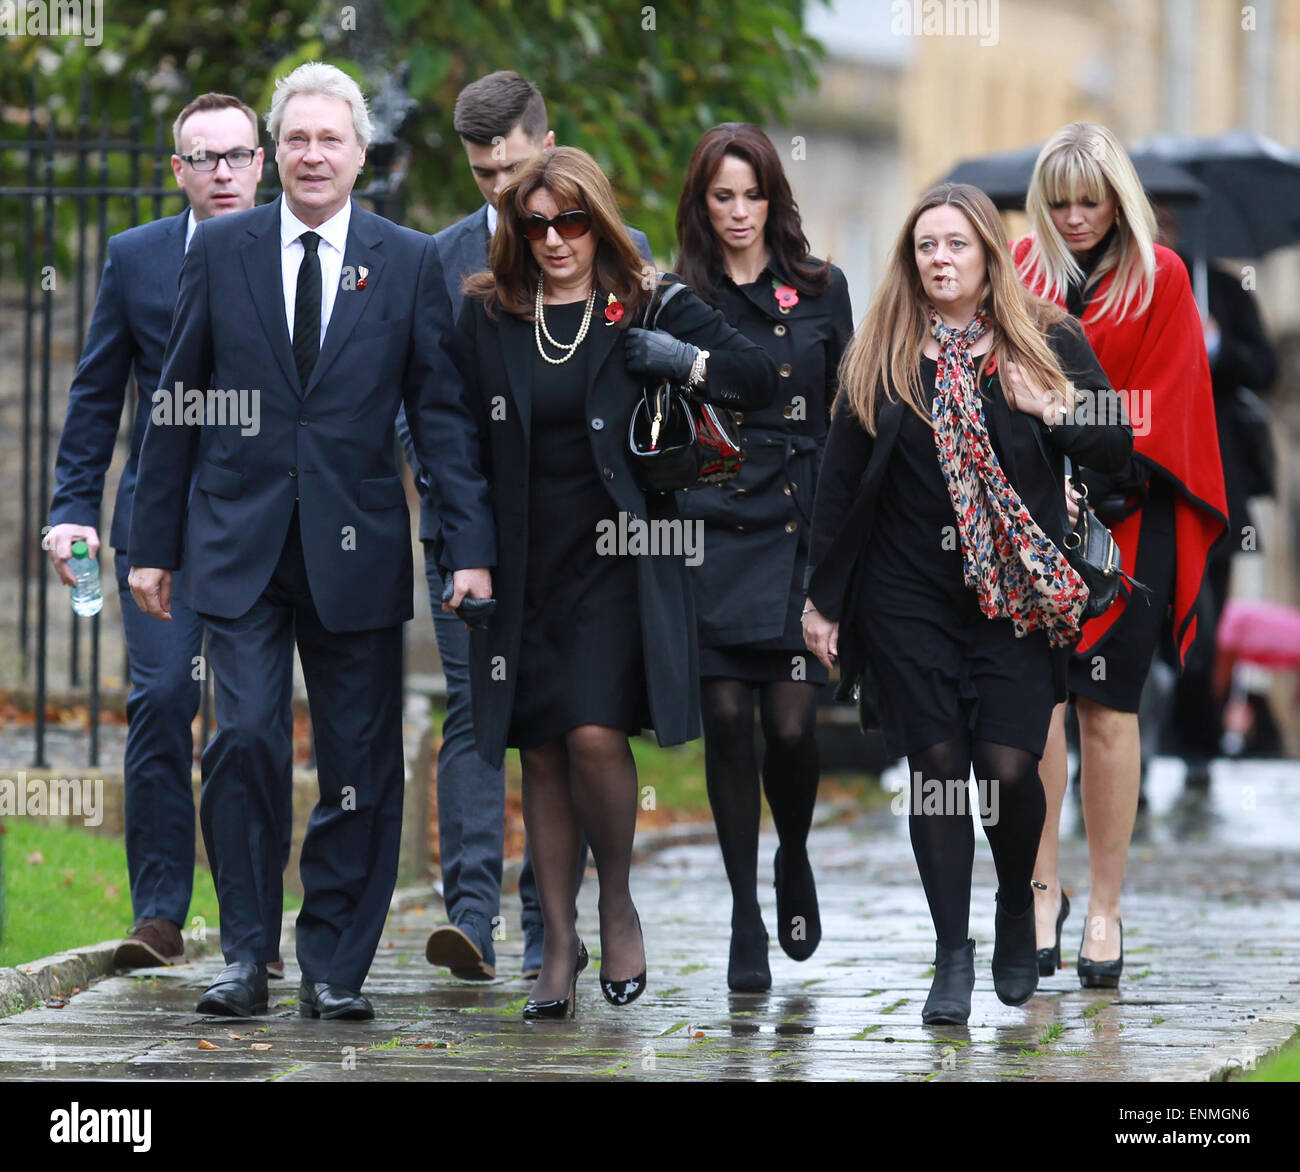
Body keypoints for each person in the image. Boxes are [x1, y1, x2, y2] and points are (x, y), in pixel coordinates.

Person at [128, 63, 494, 1020]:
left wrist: (468, 546)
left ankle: (335, 962)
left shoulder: (407, 260)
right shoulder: (223, 249)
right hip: (237, 544)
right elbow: (177, 404)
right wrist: (151, 546)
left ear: (359, 154)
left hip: (356, 546)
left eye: (331, 139)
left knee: (359, 761)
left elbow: (442, 418)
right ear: (274, 152)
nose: (313, 154)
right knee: (243, 740)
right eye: (296, 138)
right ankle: (246, 953)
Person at [456, 145, 777, 1019]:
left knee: (595, 733)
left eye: (571, 221)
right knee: (544, 749)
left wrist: (677, 359)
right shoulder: (490, 312)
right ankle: (556, 942)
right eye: (536, 224)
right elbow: (454, 439)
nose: (555, 240)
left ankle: (617, 900)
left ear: (598, 221)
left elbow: (760, 379)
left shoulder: (647, 301)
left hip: (619, 557)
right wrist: (465, 549)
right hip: (526, 565)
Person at [803, 182, 1132, 1024]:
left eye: (955, 245)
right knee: (937, 771)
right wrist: (822, 604)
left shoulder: (1047, 337)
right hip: (906, 595)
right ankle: (952, 951)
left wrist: (1052, 407)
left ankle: (1019, 906)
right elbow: (839, 486)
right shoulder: (882, 351)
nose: (939, 260)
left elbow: (1117, 453)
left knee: (1011, 769)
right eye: (925, 247)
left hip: (1016, 597)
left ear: (988, 254)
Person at [395, 70, 652, 982]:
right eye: (482, 178)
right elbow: (430, 404)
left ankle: (559, 929)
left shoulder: (621, 253)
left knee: (576, 726)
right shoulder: (444, 264)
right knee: (484, 716)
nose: (504, 197)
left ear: (546, 144)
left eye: (511, 169)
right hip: (476, 540)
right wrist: (455, 525)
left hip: (591, 546)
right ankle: (472, 914)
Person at [45, 93, 292, 976]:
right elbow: (96, 391)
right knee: (159, 703)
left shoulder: (298, 257)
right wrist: (70, 505)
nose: (222, 173)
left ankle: (250, 920)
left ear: (260, 164)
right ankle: (158, 912)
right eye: (204, 158)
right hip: (161, 526)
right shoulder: (136, 257)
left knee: (251, 725)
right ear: (178, 170)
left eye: (237, 156)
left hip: (264, 527)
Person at [1014, 122, 1227, 988]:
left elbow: (1173, 405)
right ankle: (1039, 891)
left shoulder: (1163, 277)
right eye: (1058, 200)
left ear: (1118, 199)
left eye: (1088, 200)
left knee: (1107, 710)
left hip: (1134, 521)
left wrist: (1099, 470)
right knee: (1038, 712)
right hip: (1033, 524)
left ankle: (1104, 904)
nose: (1072, 217)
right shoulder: (1021, 270)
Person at [672, 123, 852, 991]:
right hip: (709, 525)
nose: (740, 212)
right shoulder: (679, 297)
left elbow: (848, 419)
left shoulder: (821, 290)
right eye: (722, 197)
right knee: (729, 722)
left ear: (775, 198)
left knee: (789, 723)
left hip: (796, 523)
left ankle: (793, 854)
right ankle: (744, 905)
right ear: (701, 207)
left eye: (753, 194)